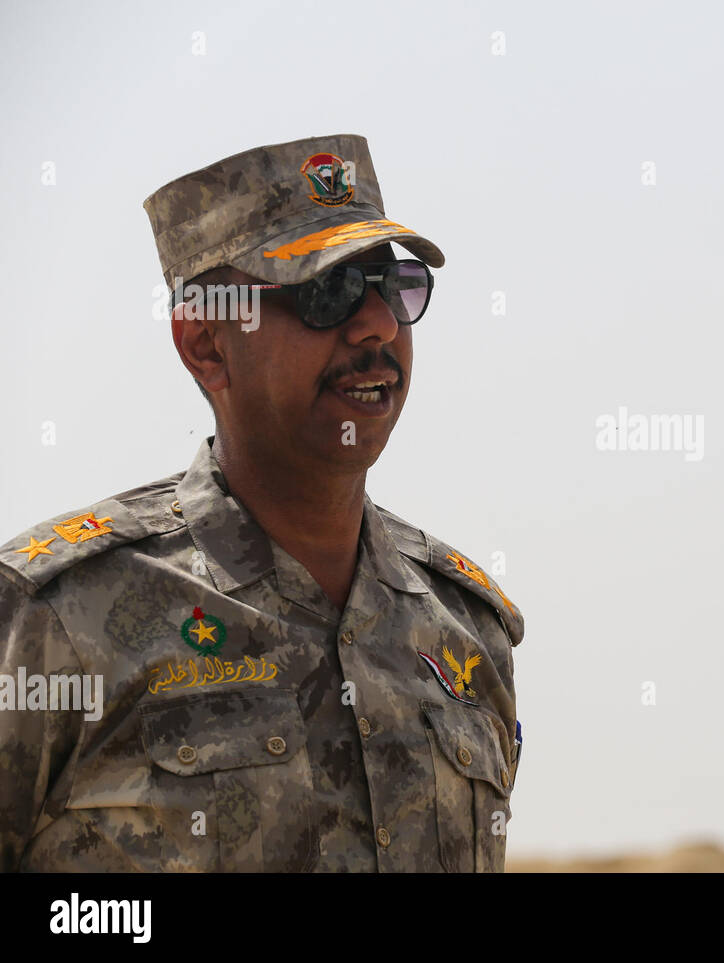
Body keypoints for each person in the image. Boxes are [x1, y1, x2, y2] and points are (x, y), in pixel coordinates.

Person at [0, 135, 525, 872]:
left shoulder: (467, 636)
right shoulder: (53, 617)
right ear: (206, 344)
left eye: (394, 285)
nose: (377, 325)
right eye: (326, 293)